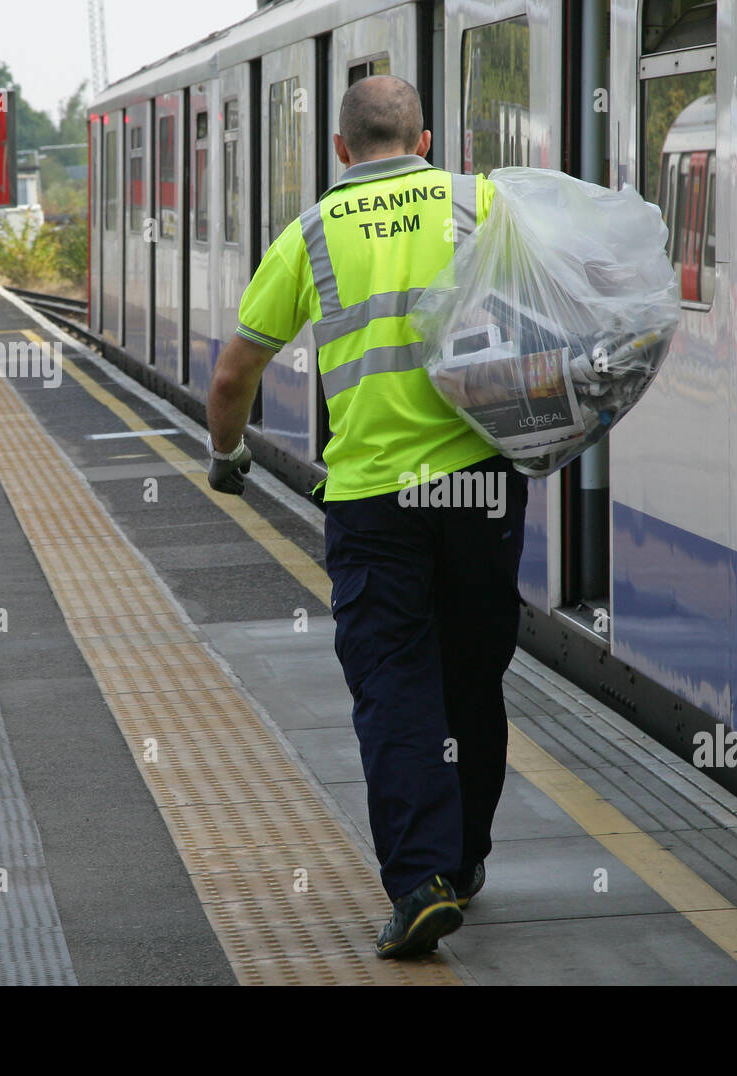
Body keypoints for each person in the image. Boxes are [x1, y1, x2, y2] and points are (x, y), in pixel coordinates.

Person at [205, 75, 527, 959]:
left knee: (395, 686)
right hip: (480, 489)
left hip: (374, 502)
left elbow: (234, 377)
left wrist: (229, 458)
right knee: (471, 678)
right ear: (424, 140)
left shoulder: (309, 235)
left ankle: (420, 882)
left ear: (342, 151)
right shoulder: (481, 204)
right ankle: (463, 865)